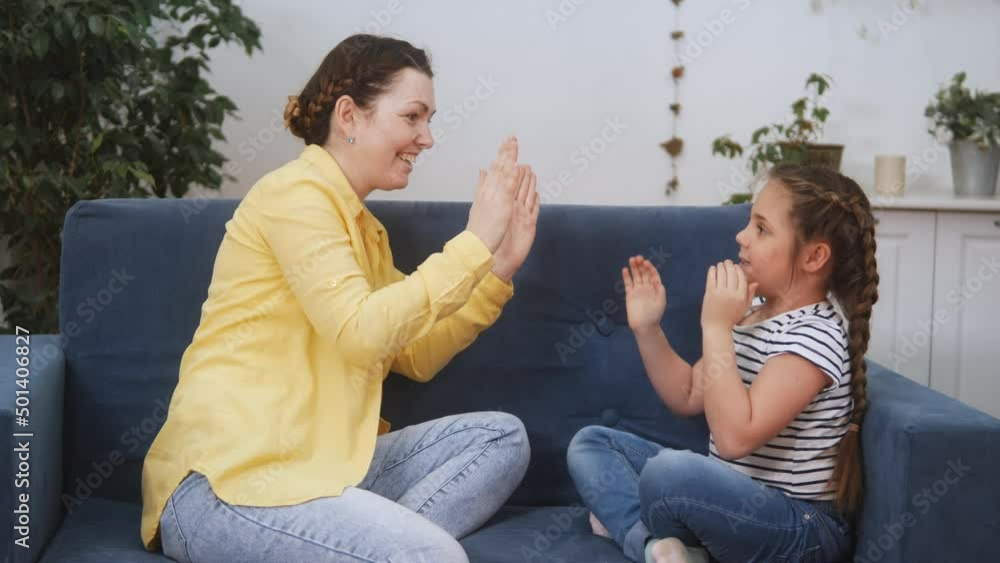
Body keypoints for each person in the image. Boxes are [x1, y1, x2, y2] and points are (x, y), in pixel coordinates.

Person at [141, 34, 539, 563]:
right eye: (413, 117)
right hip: (227, 483)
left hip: (324, 465)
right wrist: (472, 244)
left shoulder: (363, 229)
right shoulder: (295, 196)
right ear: (349, 116)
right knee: (433, 556)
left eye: (429, 120)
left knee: (500, 439)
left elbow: (414, 355)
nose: (427, 138)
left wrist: (499, 268)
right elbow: (360, 335)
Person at [567, 164, 878, 562]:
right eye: (750, 222)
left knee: (670, 474)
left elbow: (734, 440)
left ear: (814, 256)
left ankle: (645, 531)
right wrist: (648, 330)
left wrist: (715, 327)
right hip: (734, 505)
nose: (741, 236)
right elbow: (688, 395)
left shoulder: (813, 336)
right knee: (591, 444)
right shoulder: (753, 311)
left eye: (761, 229)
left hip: (801, 528)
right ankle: (658, 549)